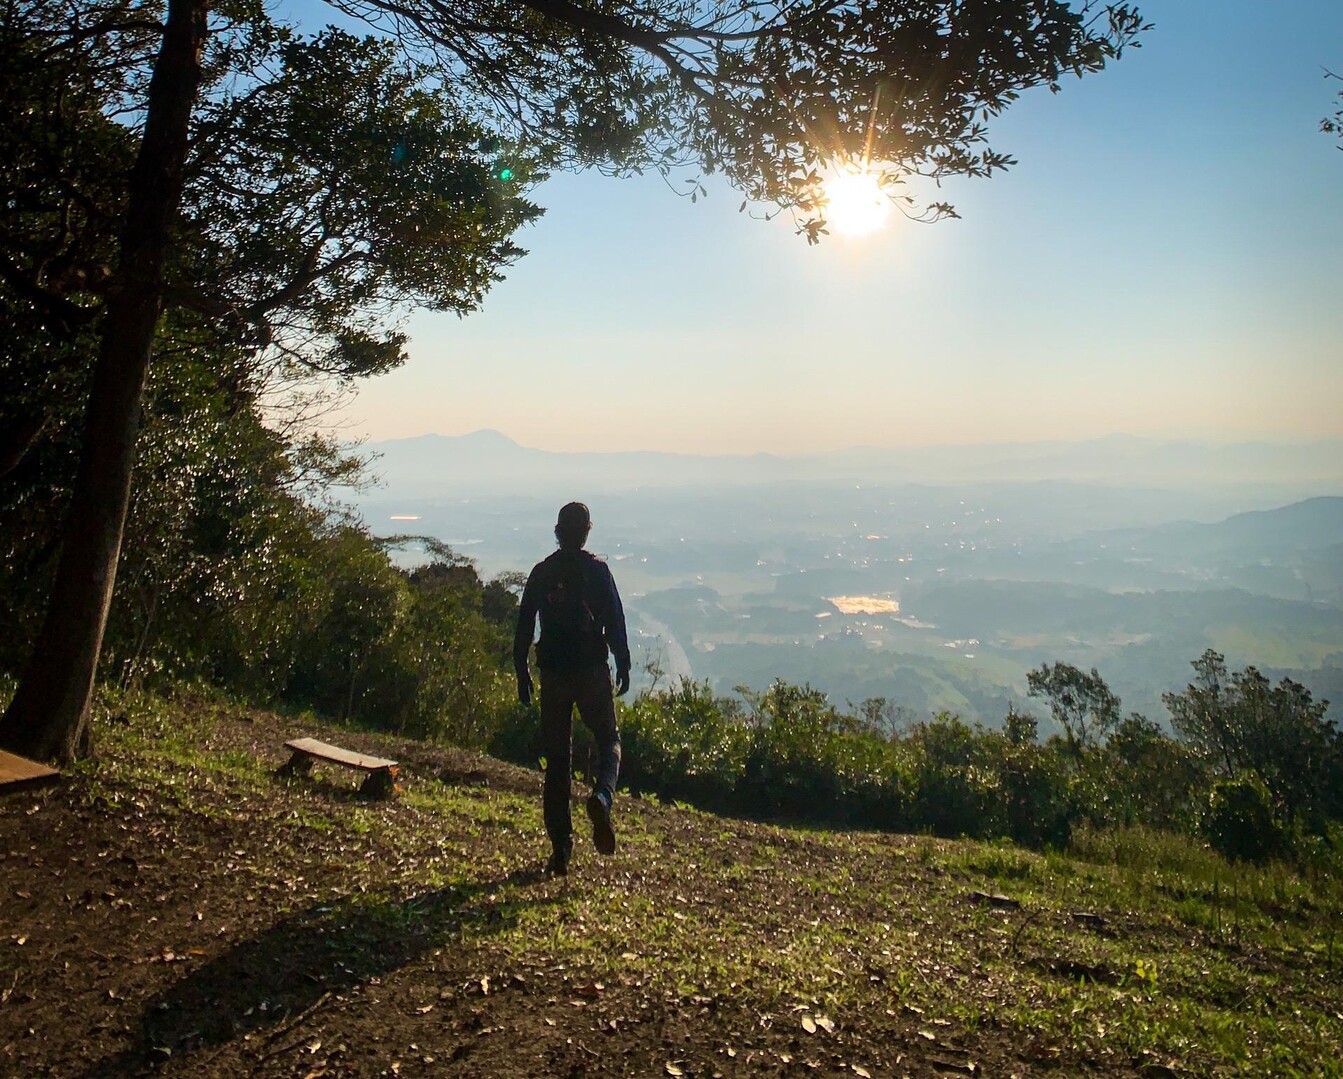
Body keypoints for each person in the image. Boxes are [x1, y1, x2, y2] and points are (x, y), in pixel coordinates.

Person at [513, 502, 631, 876]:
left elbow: (524, 626)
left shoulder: (542, 572)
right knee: (609, 740)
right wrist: (623, 662)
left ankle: (561, 849)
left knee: (558, 761)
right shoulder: (597, 571)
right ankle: (602, 796)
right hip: (591, 670)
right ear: (586, 532)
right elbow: (614, 620)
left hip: (554, 675)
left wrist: (522, 672)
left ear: (558, 531)